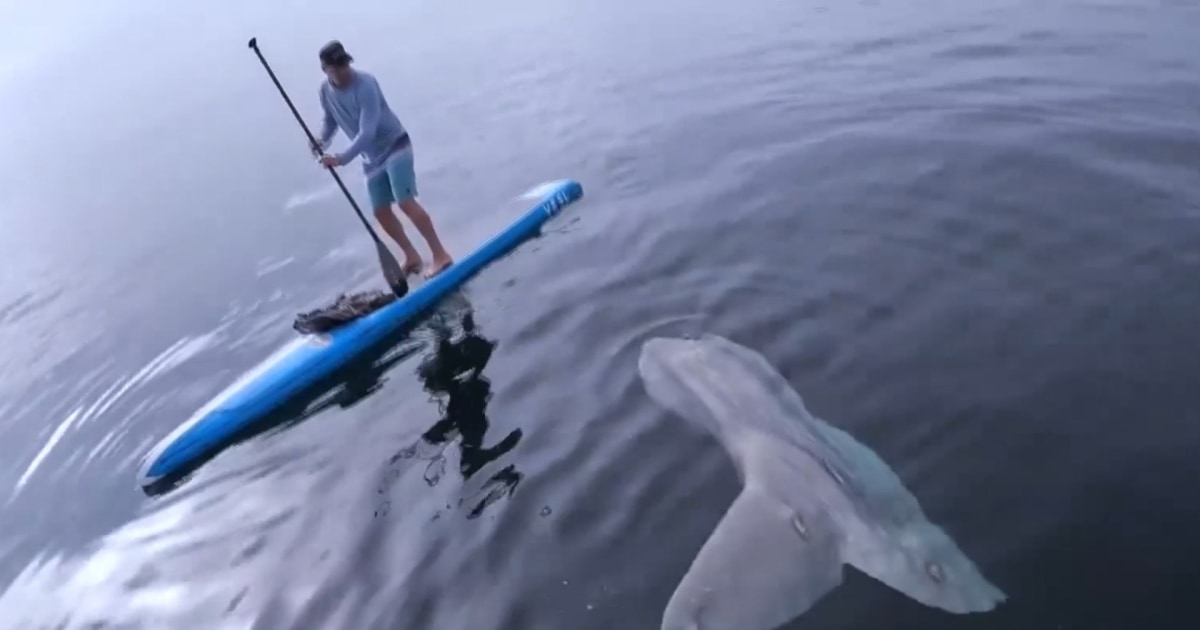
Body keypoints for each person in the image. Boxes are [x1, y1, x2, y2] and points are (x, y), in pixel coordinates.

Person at [312, 40, 453, 278]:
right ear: (326, 70)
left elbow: (367, 131)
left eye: (345, 64)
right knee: (380, 212)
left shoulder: (366, 83)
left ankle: (441, 255)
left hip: (395, 144)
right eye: (336, 67)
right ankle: (412, 256)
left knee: (405, 202)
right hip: (371, 158)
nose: (344, 70)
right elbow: (330, 122)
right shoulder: (325, 92)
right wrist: (320, 142)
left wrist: (340, 159)